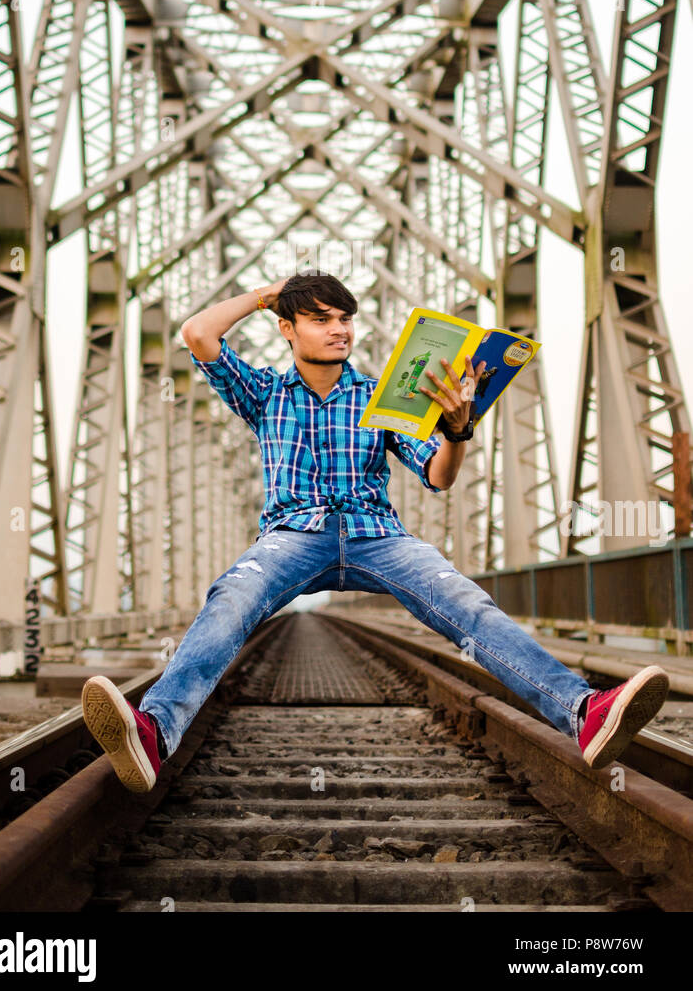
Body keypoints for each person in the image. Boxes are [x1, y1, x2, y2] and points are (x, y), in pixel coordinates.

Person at [81, 272, 670, 793]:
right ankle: (155, 732)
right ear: (288, 328)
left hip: (376, 535)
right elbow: (197, 334)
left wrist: (458, 433)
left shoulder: (382, 396)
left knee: (467, 602)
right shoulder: (263, 392)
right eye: (321, 319)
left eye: (345, 320)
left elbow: (436, 477)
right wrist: (267, 295)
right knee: (231, 597)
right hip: (293, 534)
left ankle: (585, 711)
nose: (340, 330)